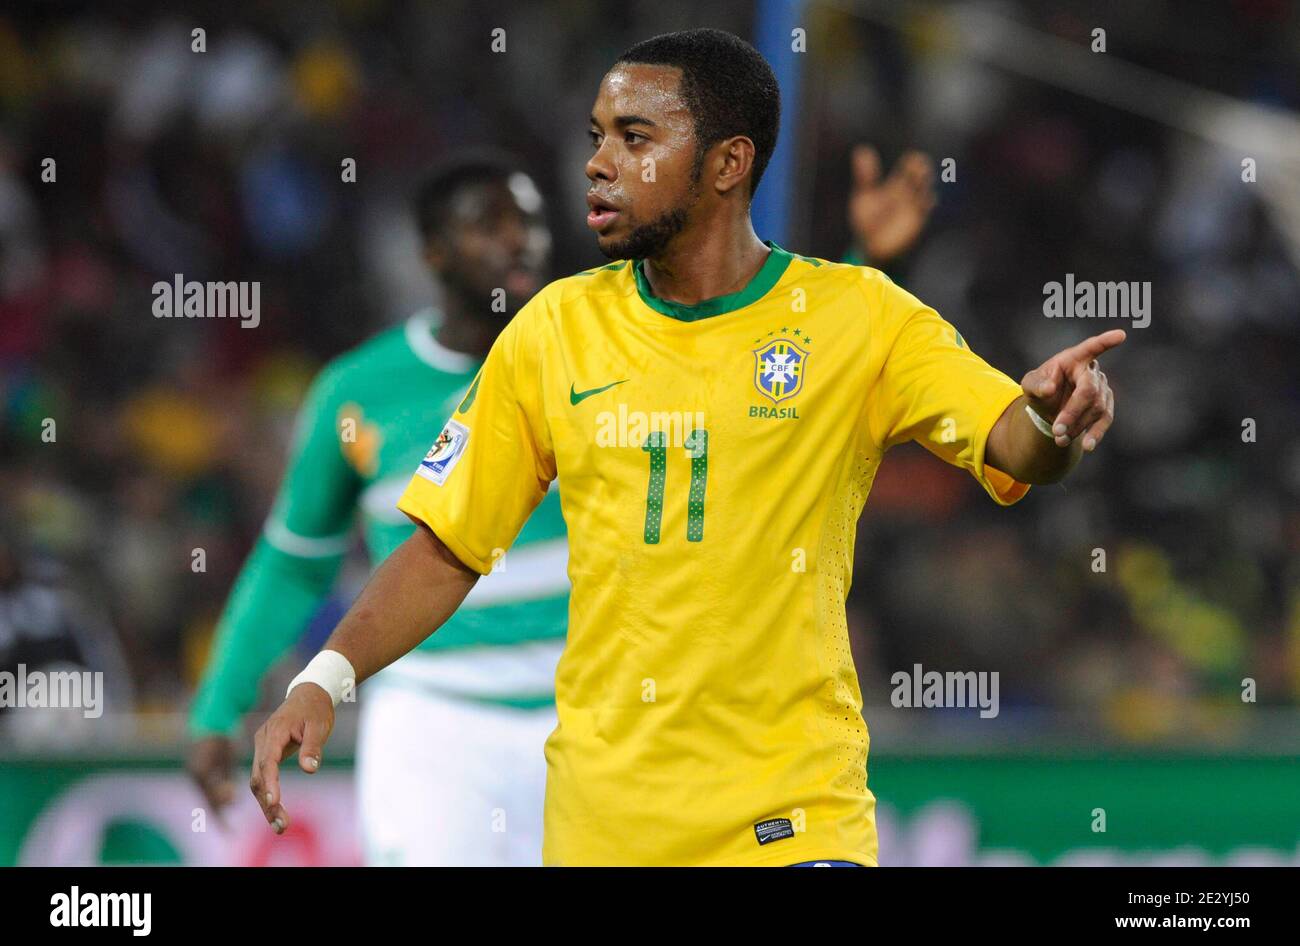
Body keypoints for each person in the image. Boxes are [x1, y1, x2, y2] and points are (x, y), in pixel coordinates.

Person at [249, 28, 1120, 866]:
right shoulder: (554, 330)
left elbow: (1011, 444)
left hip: (795, 814)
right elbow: (446, 545)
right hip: (606, 828)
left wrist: (1051, 419)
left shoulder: (863, 317)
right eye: (596, 137)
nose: (598, 162)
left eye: (634, 138)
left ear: (727, 164)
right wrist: (326, 676)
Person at [189, 155, 568, 865]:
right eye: (490, 224)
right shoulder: (358, 393)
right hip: (436, 729)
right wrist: (218, 706)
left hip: (590, 719)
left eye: (532, 222)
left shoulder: (590, 367)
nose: (521, 241)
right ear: (432, 253)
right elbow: (294, 566)